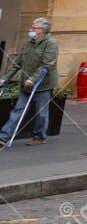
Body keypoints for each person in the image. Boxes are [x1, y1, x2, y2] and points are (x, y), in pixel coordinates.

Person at [1, 18, 58, 147]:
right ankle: (4, 137)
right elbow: (17, 62)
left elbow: (47, 64)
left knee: (41, 113)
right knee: (18, 110)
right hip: (25, 84)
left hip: (43, 84)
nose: (31, 30)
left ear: (43, 30)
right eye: (31, 27)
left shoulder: (50, 43)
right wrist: (5, 78)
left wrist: (32, 79)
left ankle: (39, 136)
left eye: (35, 28)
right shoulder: (28, 43)